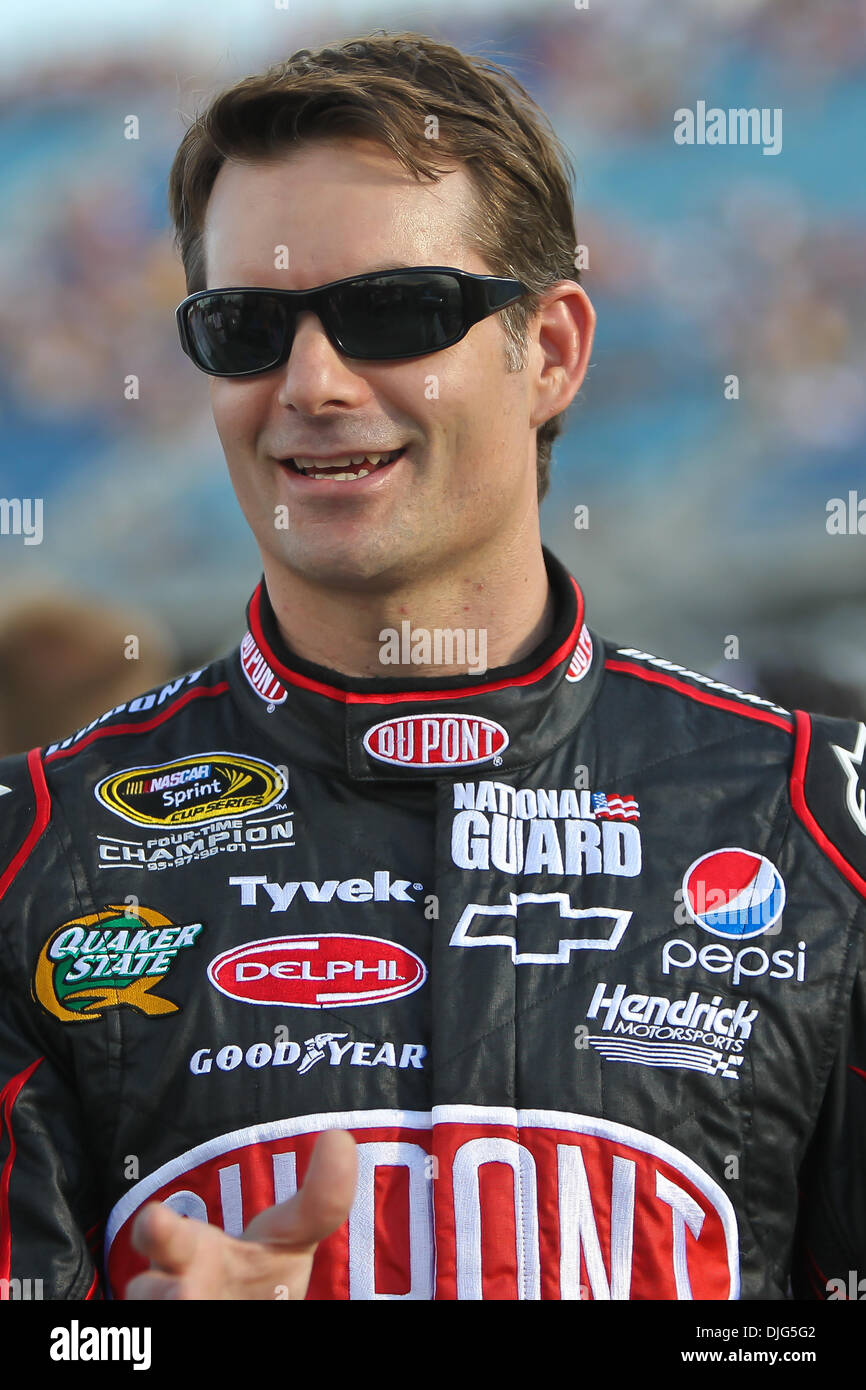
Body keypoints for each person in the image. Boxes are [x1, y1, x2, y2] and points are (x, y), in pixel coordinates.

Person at [1, 30, 864, 1303]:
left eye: (389, 311)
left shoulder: (818, 820)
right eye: (244, 327)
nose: (311, 382)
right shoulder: (31, 851)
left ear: (553, 352)